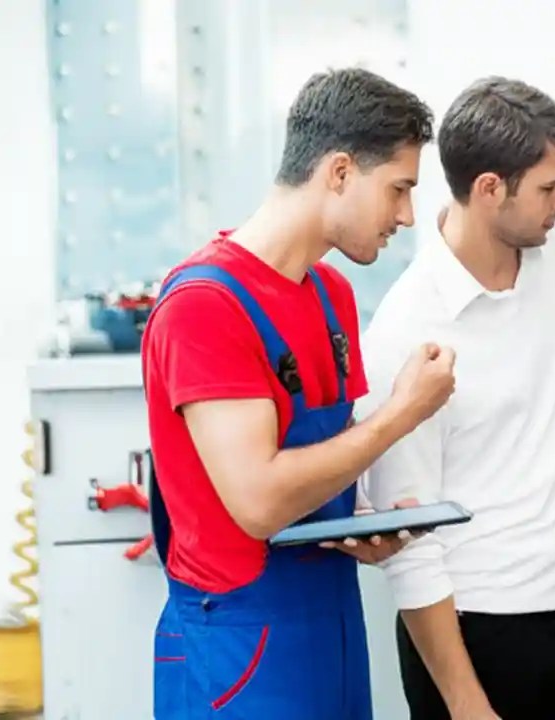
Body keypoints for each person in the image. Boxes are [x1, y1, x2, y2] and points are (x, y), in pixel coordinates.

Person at [140, 67, 457, 720]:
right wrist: (401, 413)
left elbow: (332, 457)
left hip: (331, 627)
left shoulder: (331, 297)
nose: (406, 215)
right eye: (398, 189)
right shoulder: (205, 306)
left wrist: (367, 518)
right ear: (339, 172)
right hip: (238, 647)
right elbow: (259, 501)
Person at [356, 76, 555, 720]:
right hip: (475, 635)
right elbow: (410, 547)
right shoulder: (406, 331)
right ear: (489, 190)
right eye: (549, 187)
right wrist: (467, 704)